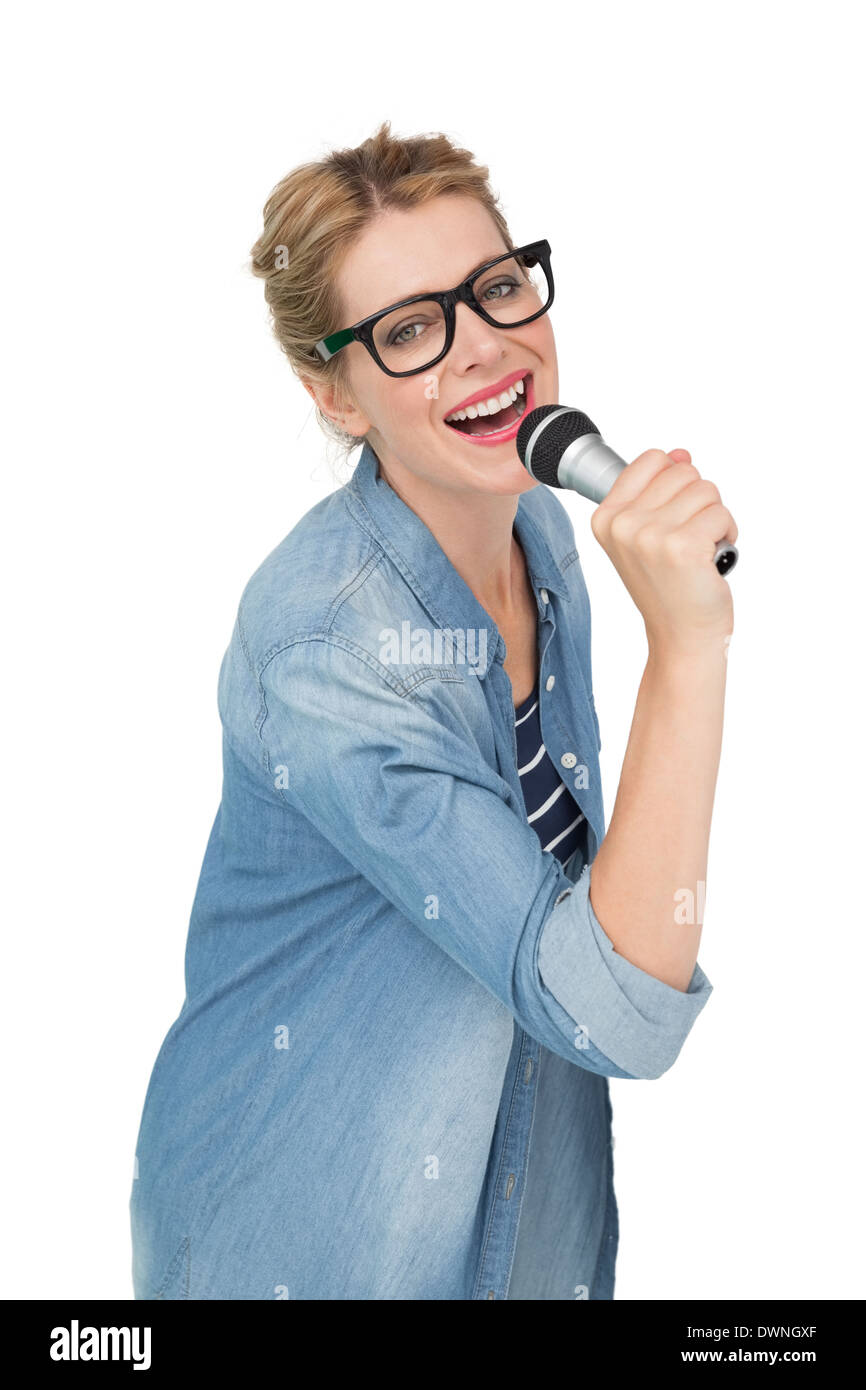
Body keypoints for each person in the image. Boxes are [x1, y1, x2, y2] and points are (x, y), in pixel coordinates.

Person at [129, 121, 736, 1301]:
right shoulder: (329, 644)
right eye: (409, 330)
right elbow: (612, 1009)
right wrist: (687, 647)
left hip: (515, 1228)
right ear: (334, 392)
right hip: (306, 1240)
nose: (482, 348)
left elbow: (581, 911)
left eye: (495, 287)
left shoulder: (543, 533)